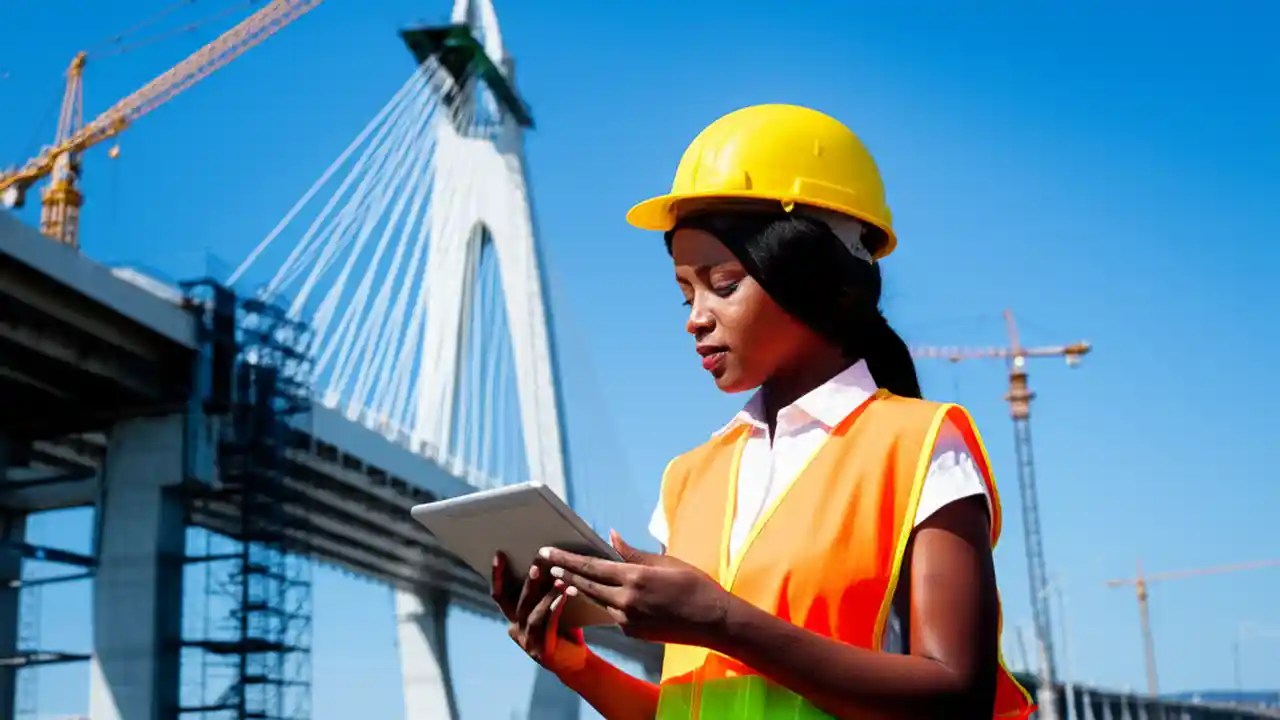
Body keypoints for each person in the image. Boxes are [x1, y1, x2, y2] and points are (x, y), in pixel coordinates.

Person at [490, 103, 1035, 719]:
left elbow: (957, 695)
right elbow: (695, 708)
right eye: (684, 291)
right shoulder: (688, 480)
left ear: (808, 275)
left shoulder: (919, 445)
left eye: (722, 284)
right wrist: (578, 666)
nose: (695, 317)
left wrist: (720, 619)